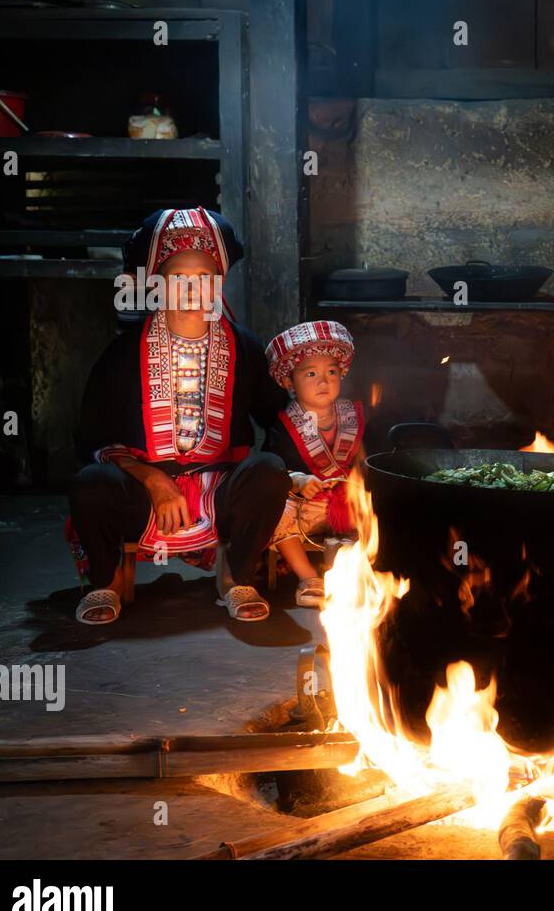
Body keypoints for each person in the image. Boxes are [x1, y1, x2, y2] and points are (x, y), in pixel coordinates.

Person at [67, 207, 290, 624]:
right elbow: (91, 439)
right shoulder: (123, 353)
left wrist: (313, 451)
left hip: (219, 490)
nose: (192, 288)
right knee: (90, 483)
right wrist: (153, 480)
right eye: (179, 278)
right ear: (158, 284)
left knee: (270, 470)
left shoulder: (243, 346)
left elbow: (276, 417)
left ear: (218, 284)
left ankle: (234, 577)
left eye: (204, 277)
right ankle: (108, 581)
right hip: (143, 496)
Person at [262, 321, 366, 608]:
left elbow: (367, 465)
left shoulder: (353, 416)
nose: (324, 382)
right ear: (288, 382)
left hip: (348, 507)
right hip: (304, 509)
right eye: (311, 373)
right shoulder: (283, 425)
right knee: (275, 510)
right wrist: (298, 481)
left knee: (381, 503)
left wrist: (353, 491)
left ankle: (357, 575)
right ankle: (308, 578)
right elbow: (271, 469)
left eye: (331, 372)